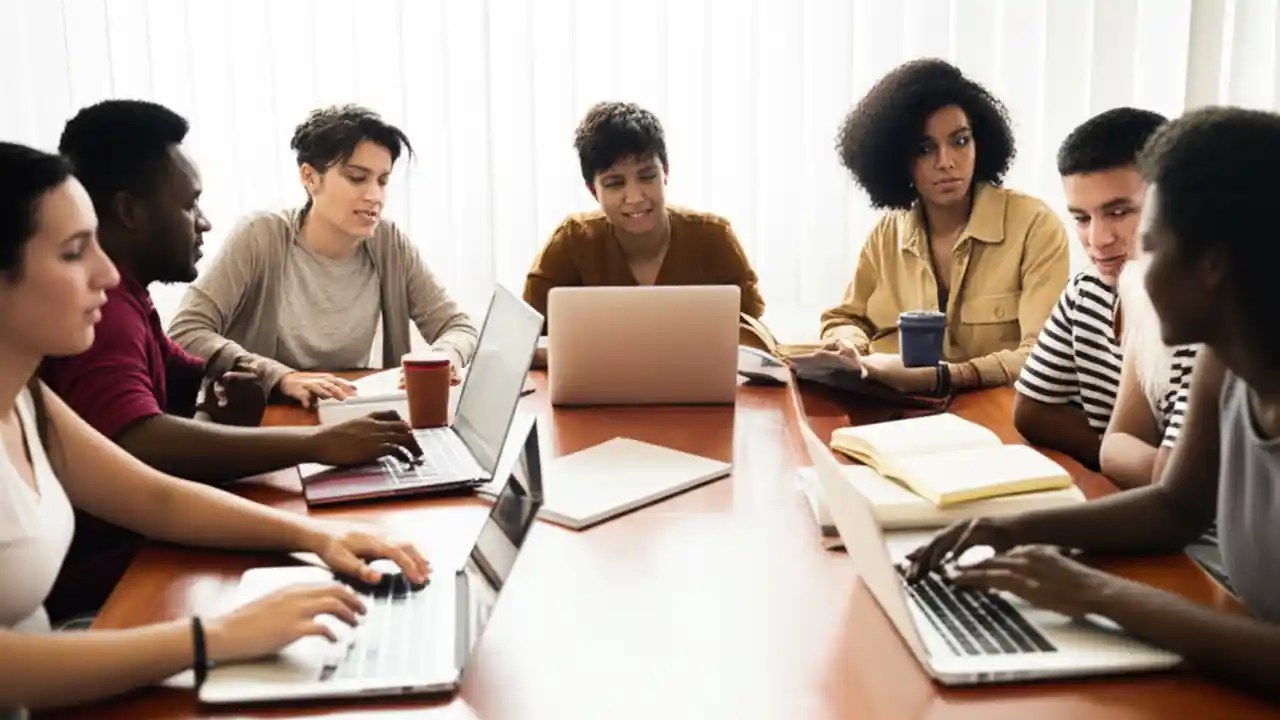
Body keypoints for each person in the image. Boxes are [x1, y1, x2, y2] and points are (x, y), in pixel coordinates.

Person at [0, 141, 428, 715]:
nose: (106, 272)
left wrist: (319, 538)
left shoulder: (28, 398)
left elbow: (155, 497)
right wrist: (215, 637)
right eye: (75, 253)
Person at [908, 107, 1280, 697]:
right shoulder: (1223, 360)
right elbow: (1174, 506)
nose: (1124, 265)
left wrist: (1095, 593)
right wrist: (1012, 529)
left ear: (1212, 266)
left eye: (1149, 246)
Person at [168, 104, 478, 407]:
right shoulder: (261, 236)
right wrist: (279, 376)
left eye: (383, 180)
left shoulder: (388, 242)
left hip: (337, 412)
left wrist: (445, 356)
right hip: (262, 417)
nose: (374, 196)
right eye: (357, 177)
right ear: (309, 177)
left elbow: (458, 326)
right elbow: (185, 332)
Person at [817, 59, 1069, 395]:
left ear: (981, 142)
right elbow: (844, 319)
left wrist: (951, 376)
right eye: (925, 149)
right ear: (897, 160)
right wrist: (850, 348)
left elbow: (1043, 356)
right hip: (896, 412)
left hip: (996, 420)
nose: (946, 161)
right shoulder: (886, 235)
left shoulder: (1035, 227)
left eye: (960, 141)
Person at [1013, 108, 1167, 469]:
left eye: (1119, 212)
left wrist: (1122, 455)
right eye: (1082, 218)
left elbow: (1181, 485)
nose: (1097, 240)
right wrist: (1113, 452)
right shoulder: (1087, 289)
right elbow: (1032, 410)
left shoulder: (1198, 317)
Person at [522, 101, 765, 329]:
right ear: (593, 190)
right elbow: (526, 337)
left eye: (647, 176)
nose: (635, 197)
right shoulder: (571, 242)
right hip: (598, 376)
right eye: (615, 183)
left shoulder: (715, 238)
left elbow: (753, 336)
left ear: (666, 173)